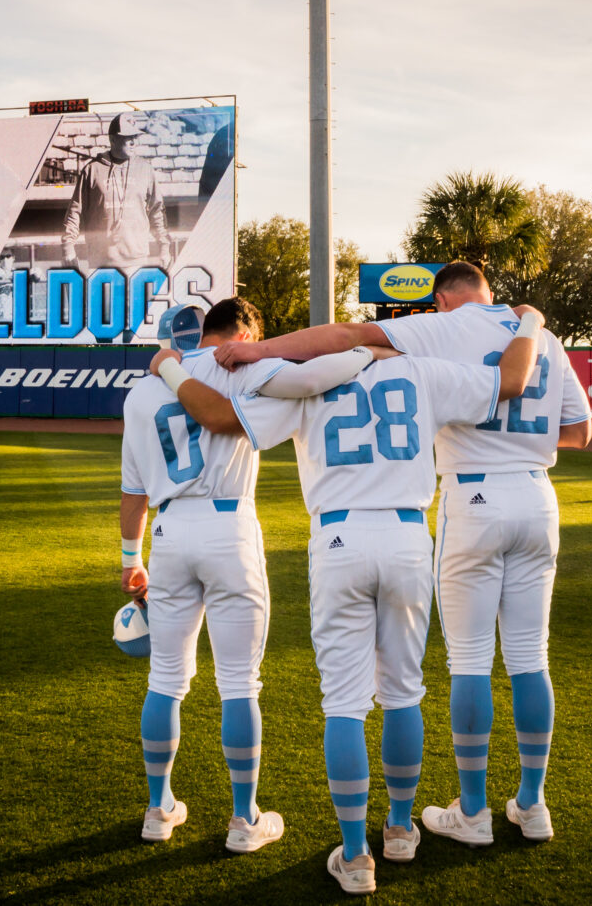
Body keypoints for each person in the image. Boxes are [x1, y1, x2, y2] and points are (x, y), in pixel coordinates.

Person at [151, 305, 544, 894]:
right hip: (409, 531)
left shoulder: (314, 373)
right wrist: (529, 323)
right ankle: (402, 829)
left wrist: (175, 369)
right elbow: (507, 386)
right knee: (404, 692)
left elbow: (225, 420)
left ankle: (357, 856)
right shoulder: (424, 368)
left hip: (336, 536)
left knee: (344, 703)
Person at [213, 261, 592, 846]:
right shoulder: (508, 345)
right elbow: (570, 427)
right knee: (518, 659)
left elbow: (307, 361)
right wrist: (532, 324)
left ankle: (438, 823)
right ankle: (513, 807)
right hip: (520, 500)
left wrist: (249, 353)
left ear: (440, 300)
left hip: (412, 513)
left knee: (413, 678)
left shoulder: (415, 343)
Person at [118, 297, 381, 852]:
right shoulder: (249, 364)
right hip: (228, 525)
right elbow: (314, 374)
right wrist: (369, 348)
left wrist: (129, 559)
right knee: (238, 681)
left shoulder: (142, 391)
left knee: (165, 678)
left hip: (167, 533)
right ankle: (243, 819)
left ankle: (157, 809)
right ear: (247, 332)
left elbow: (133, 488)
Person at [62, 112, 170, 273]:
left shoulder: (145, 169)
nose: (133, 142)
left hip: (136, 260)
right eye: (128, 137)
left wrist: (164, 247)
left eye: (135, 136)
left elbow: (157, 211)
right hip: (101, 261)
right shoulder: (92, 170)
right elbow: (74, 212)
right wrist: (68, 247)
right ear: (113, 139)